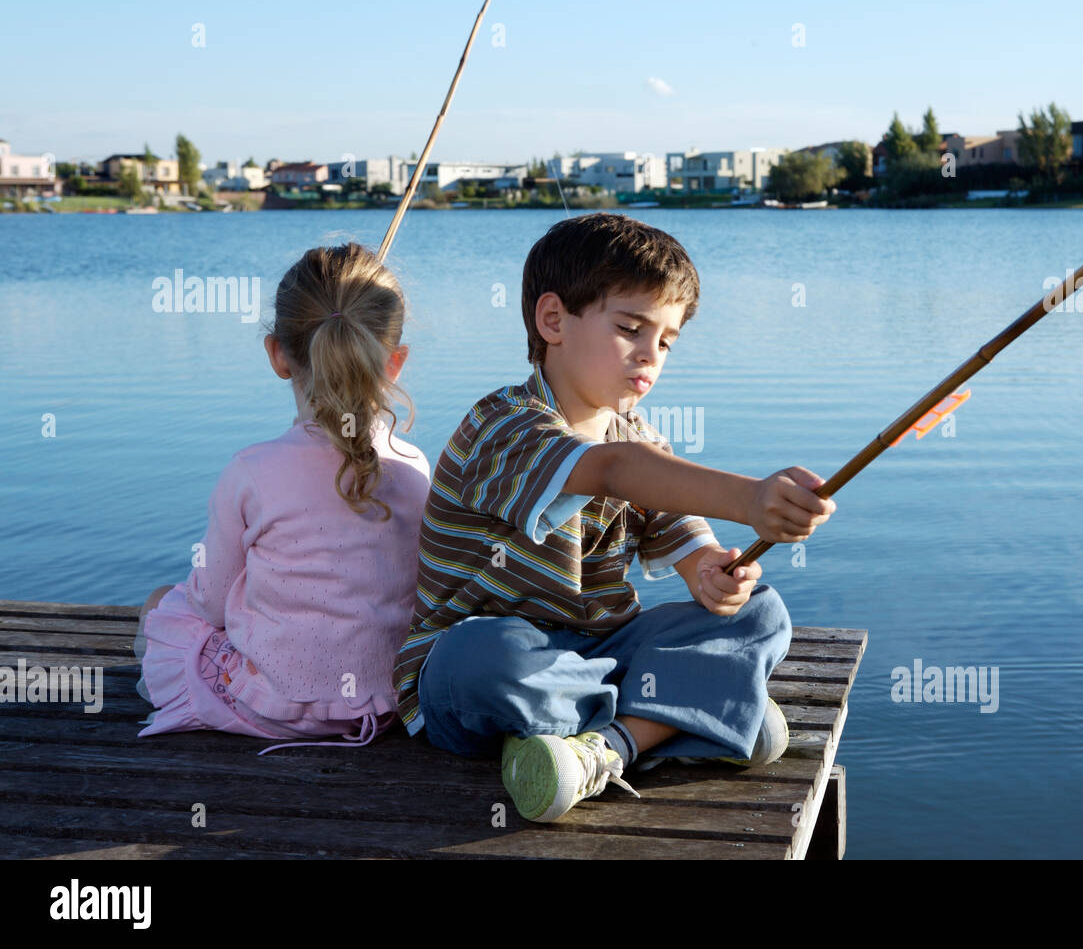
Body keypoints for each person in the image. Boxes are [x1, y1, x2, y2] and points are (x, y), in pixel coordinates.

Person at [394, 213, 836, 822]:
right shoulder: (502, 425)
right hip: (490, 666)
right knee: (478, 657)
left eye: (667, 340)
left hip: (599, 654)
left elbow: (686, 539)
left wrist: (712, 571)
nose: (650, 355)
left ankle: (603, 749)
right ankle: (685, 713)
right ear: (553, 320)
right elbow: (609, 471)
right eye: (630, 328)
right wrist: (750, 499)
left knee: (764, 613)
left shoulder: (643, 444)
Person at [135, 243, 430, 752]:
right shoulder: (416, 467)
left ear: (277, 354)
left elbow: (211, 603)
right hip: (385, 703)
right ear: (395, 362)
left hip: (274, 704)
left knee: (162, 604)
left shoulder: (252, 470)